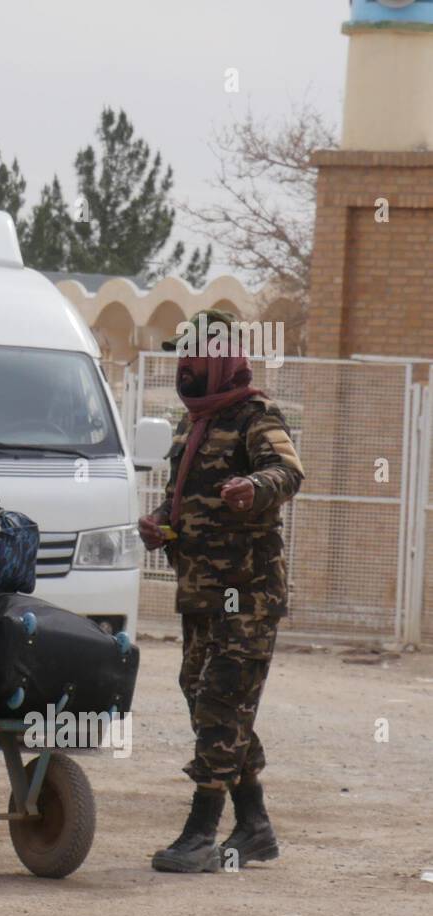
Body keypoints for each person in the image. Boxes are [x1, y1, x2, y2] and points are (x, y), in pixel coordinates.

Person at [141, 310, 305, 874]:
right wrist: (161, 520)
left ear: (222, 359)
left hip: (249, 592)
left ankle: (201, 831)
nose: (183, 367)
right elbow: (182, 500)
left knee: (220, 701)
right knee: (204, 693)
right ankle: (255, 824)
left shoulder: (254, 416)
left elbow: (287, 472)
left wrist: (253, 487)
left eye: (193, 356)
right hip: (201, 592)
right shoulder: (192, 426)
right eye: (180, 356)